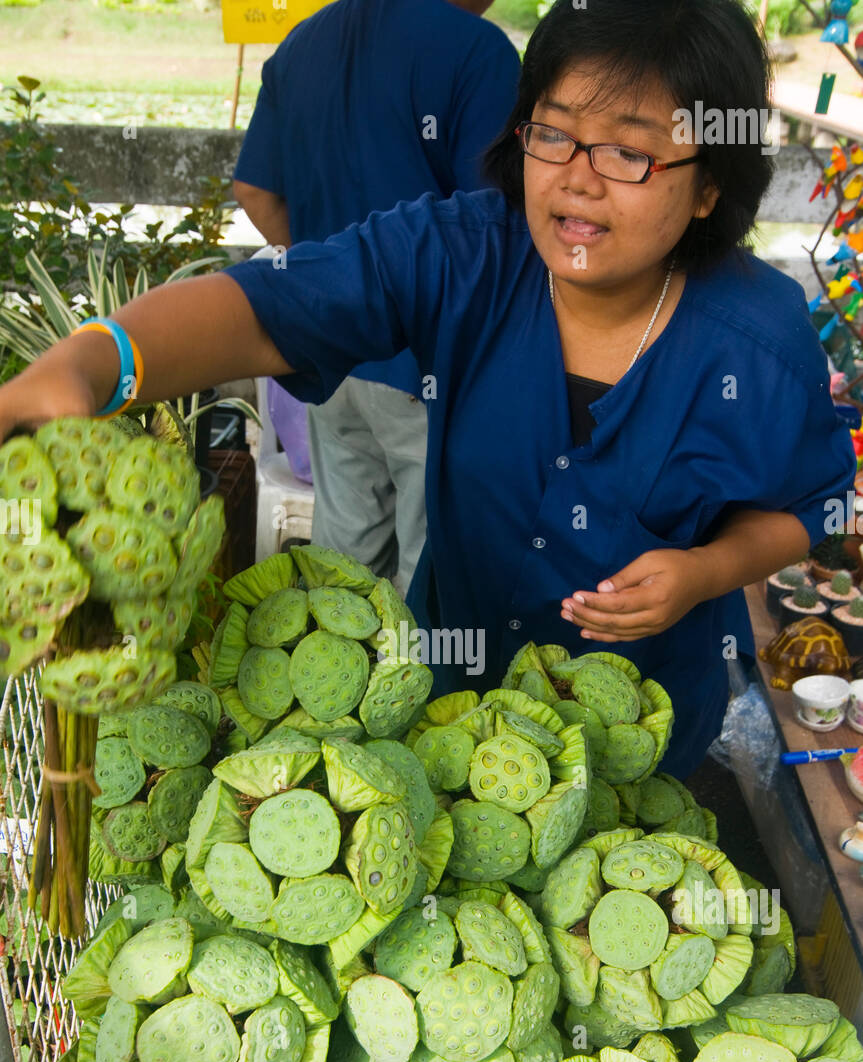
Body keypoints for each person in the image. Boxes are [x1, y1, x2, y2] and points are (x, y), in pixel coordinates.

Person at [0, 0, 855, 778]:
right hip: (448, 711)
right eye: (550, 133)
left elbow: (814, 507)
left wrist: (705, 571)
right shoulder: (464, 253)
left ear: (709, 185)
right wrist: (91, 363)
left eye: (629, 151)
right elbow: (268, 307)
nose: (576, 178)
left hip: (637, 748)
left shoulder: (756, 339)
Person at [232, 0, 521, 595]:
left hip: (329, 358)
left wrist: (334, 284)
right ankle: (419, 685)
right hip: (431, 361)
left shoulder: (301, 43)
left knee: (342, 577)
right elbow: (502, 223)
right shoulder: (478, 50)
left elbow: (254, 189)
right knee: (431, 582)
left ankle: (329, 687)